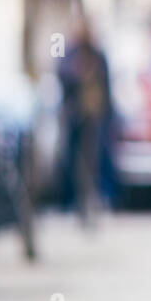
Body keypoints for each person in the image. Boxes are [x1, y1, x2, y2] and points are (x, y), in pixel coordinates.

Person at [57, 19, 113, 227]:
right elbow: (62, 76)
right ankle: (71, 200)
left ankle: (98, 197)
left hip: (94, 116)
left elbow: (106, 85)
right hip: (75, 115)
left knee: (96, 159)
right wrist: (77, 72)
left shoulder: (98, 55)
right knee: (72, 158)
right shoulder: (70, 54)